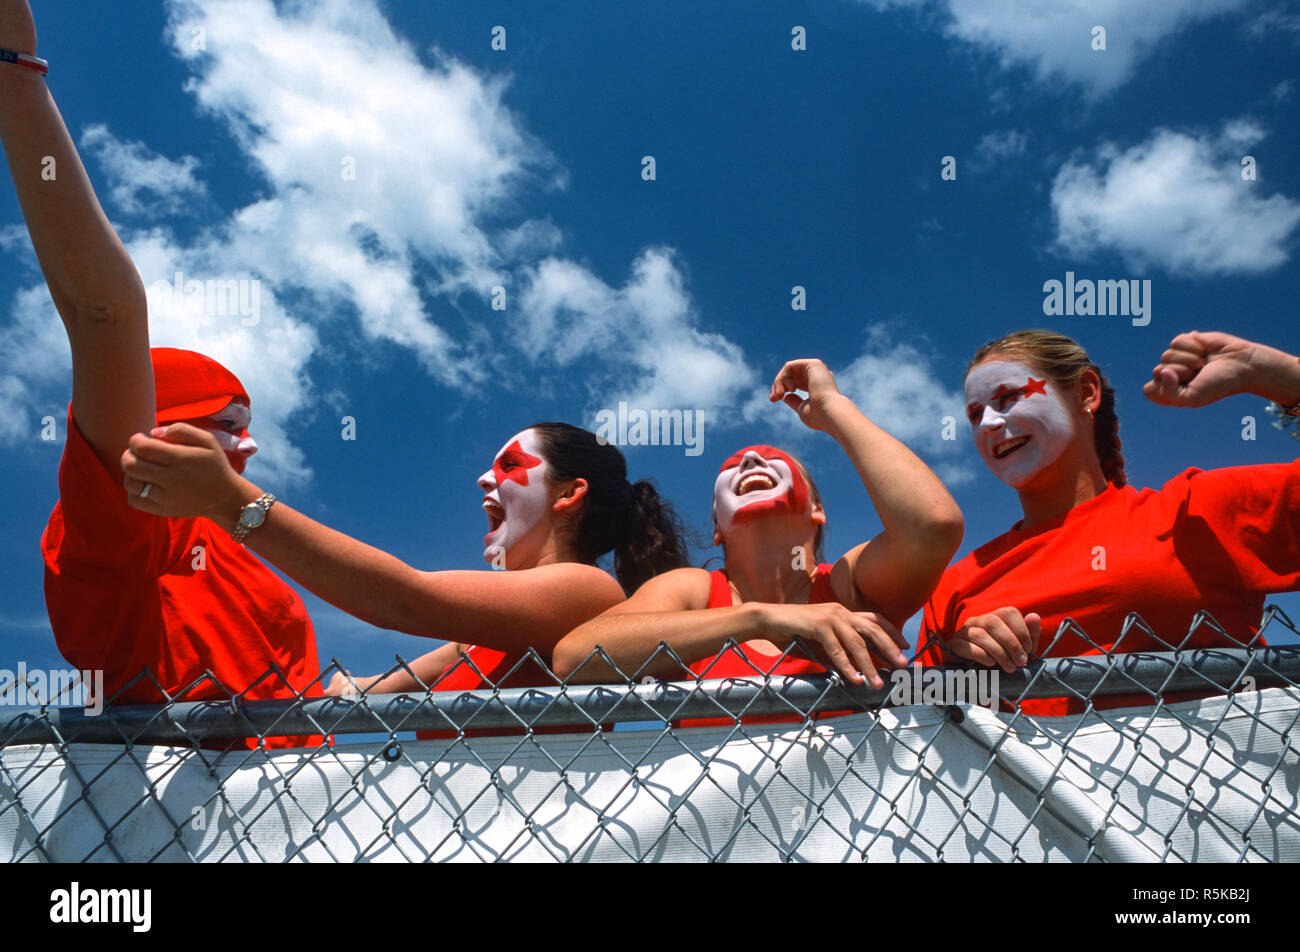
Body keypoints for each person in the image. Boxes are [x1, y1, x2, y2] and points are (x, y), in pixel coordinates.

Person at [0, 2, 321, 747]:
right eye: (229, 425)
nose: (249, 448)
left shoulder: (249, 561)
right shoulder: (137, 528)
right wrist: (15, 73)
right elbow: (103, 312)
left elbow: (324, 685)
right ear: (158, 427)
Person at [120, 420, 690, 735]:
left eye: (509, 465)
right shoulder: (472, 643)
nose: (482, 481)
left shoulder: (587, 588)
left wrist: (232, 503)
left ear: (570, 494)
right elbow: (346, 694)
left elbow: (403, 599)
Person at [553, 358, 965, 726]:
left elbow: (933, 525)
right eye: (731, 466)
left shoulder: (846, 585)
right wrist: (758, 619)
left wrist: (831, 409)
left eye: (773, 459)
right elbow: (575, 656)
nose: (750, 461)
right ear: (718, 529)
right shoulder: (694, 590)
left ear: (816, 510)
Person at [918, 329, 1300, 715]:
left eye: (1008, 398)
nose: (988, 424)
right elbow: (913, 723)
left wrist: (1279, 376)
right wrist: (959, 674)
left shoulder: (1192, 511)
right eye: (974, 414)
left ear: (1086, 392)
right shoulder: (954, 584)